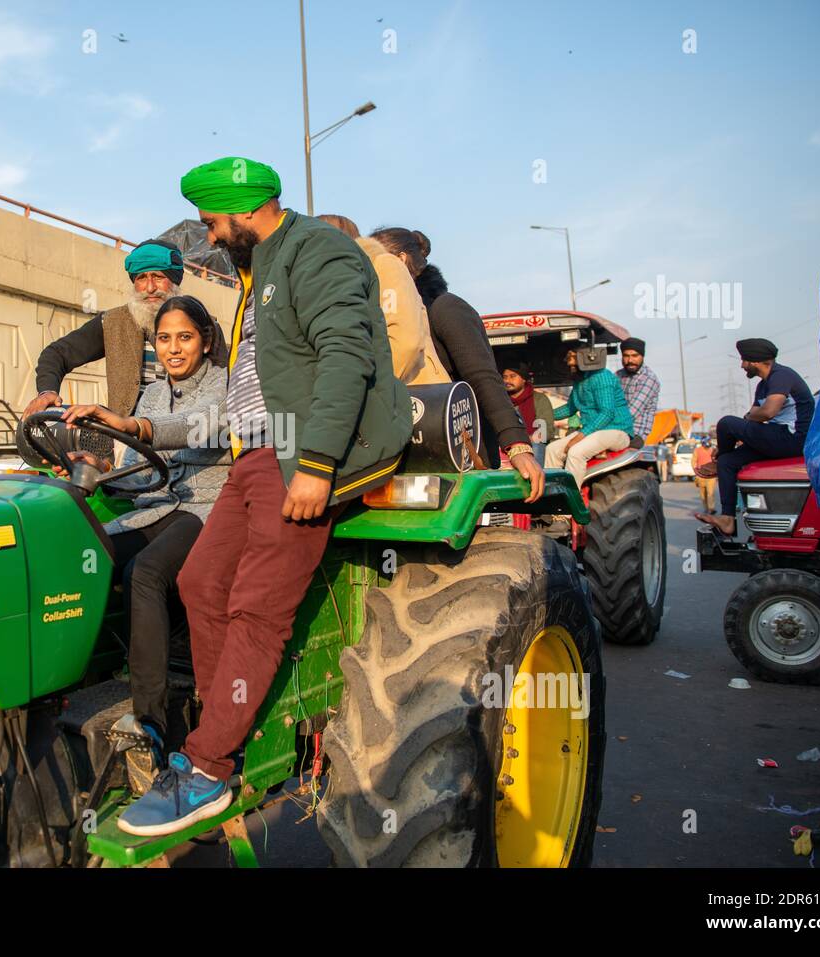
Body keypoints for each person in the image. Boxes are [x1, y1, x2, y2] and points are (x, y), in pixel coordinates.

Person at [117, 156, 416, 837]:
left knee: (256, 607)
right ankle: (233, 723)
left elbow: (347, 350)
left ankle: (209, 765)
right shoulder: (261, 270)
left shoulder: (318, 249)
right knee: (197, 582)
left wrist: (316, 463)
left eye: (216, 223)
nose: (212, 238)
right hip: (252, 454)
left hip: (297, 456)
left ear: (249, 211)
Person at [56, 295, 230, 792]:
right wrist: (100, 472)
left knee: (147, 572)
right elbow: (137, 466)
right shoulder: (152, 394)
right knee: (84, 556)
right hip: (156, 504)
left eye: (184, 337)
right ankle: (73, 687)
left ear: (206, 340)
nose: (173, 348)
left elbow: (200, 428)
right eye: (164, 338)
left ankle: (149, 722)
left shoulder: (224, 386)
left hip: (205, 507)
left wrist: (131, 426)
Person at [379, 229, 541, 477]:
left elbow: (483, 376)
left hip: (460, 454)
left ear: (400, 261)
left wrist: (517, 445)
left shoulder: (445, 308)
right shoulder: (388, 321)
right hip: (410, 450)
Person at [25, 240, 227, 419]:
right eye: (141, 278)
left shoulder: (203, 324)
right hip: (126, 439)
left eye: (157, 276)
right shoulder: (112, 322)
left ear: (173, 281)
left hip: (188, 432)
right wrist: (47, 392)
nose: (149, 288)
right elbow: (57, 353)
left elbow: (223, 384)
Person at [695, 338, 814, 535]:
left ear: (755, 361)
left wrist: (748, 420)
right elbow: (754, 419)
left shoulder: (781, 375)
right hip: (776, 436)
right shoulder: (762, 386)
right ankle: (727, 519)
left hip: (793, 439)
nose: (742, 365)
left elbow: (767, 412)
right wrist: (745, 425)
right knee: (728, 461)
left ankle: (716, 463)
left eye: (744, 361)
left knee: (726, 422)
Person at [316, 215, 448, 385]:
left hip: (416, 398)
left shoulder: (382, 265)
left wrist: (365, 390)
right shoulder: (336, 286)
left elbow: (405, 343)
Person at [545, 345, 635, 485]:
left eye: (572, 357)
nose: (568, 362)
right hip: (593, 431)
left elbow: (607, 413)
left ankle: (572, 499)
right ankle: (554, 492)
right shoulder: (579, 380)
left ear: (585, 357)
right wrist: (543, 415)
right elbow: (570, 408)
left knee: (576, 452)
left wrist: (580, 436)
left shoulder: (602, 377)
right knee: (552, 450)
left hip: (616, 430)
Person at [502, 361, 555, 464]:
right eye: (505, 377)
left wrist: (525, 441)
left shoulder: (539, 399)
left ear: (524, 379)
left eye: (513, 376)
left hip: (532, 443)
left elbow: (546, 430)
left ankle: (535, 477)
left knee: (537, 444)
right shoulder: (501, 400)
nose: (507, 381)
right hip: (507, 443)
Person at [617, 337, 661, 444]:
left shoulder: (648, 378)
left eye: (635, 356)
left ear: (642, 356)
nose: (630, 360)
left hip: (634, 435)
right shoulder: (617, 375)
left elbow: (631, 413)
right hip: (616, 430)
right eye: (626, 356)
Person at [692, 438, 716, 513]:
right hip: (700, 475)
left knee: (710, 493)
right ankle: (706, 507)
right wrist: (695, 472)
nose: (708, 444)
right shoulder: (697, 450)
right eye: (707, 442)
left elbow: (716, 461)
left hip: (711, 476)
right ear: (703, 443)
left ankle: (711, 508)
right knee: (703, 493)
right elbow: (693, 461)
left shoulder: (712, 450)